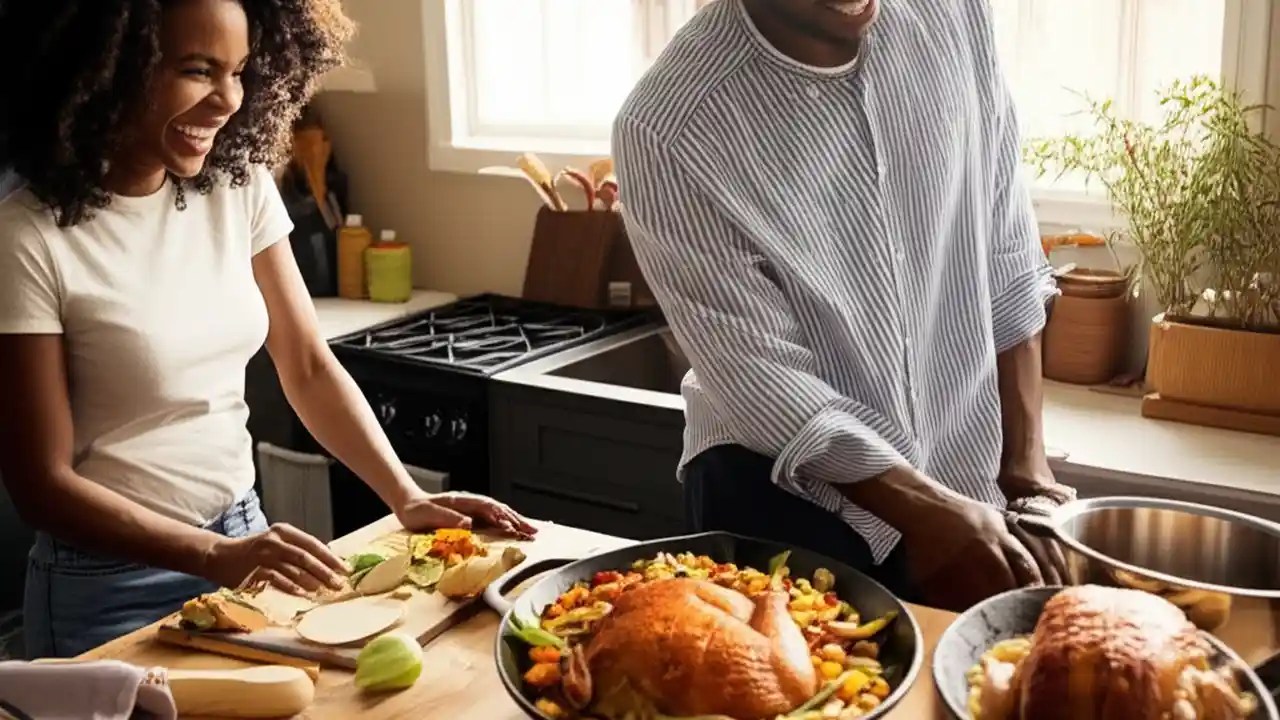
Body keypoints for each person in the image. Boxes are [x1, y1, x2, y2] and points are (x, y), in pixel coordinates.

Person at [0, 0, 536, 659]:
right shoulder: (24, 236)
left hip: (242, 538)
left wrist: (406, 496)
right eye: (198, 70)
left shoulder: (235, 183)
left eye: (241, 71)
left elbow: (307, 366)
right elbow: (41, 485)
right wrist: (214, 553)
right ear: (104, 67)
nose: (228, 100)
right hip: (109, 584)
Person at [613, 0, 1076, 612]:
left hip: (970, 481)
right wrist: (926, 512)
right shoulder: (667, 128)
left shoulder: (955, 12)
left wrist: (1026, 465)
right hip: (790, 504)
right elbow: (764, 380)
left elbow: (1006, 241)